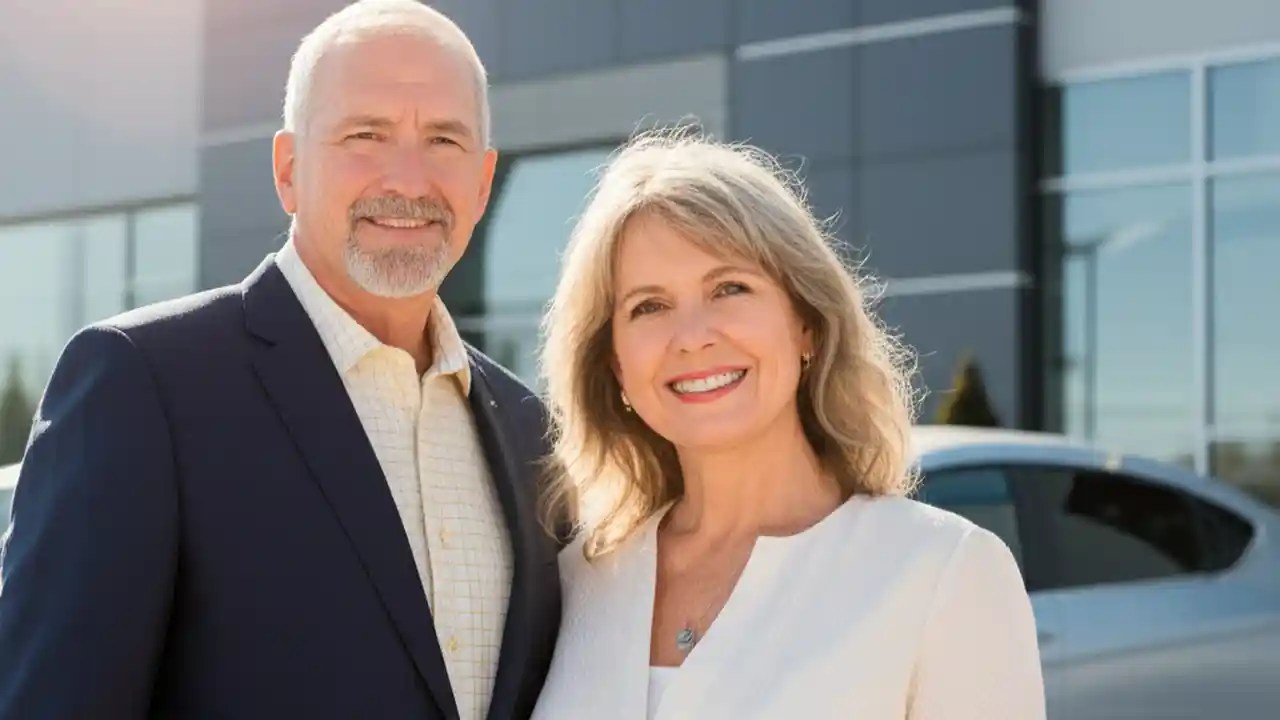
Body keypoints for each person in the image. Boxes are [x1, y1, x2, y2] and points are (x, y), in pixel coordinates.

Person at [0, 2, 561, 718]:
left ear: (482, 183)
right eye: (366, 134)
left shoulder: (530, 431)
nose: (408, 179)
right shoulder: (143, 386)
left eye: (443, 140)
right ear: (289, 169)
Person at [531, 130, 1046, 719]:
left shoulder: (943, 570)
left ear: (806, 324)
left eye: (729, 288)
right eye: (649, 306)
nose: (692, 336)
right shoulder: (577, 579)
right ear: (615, 363)